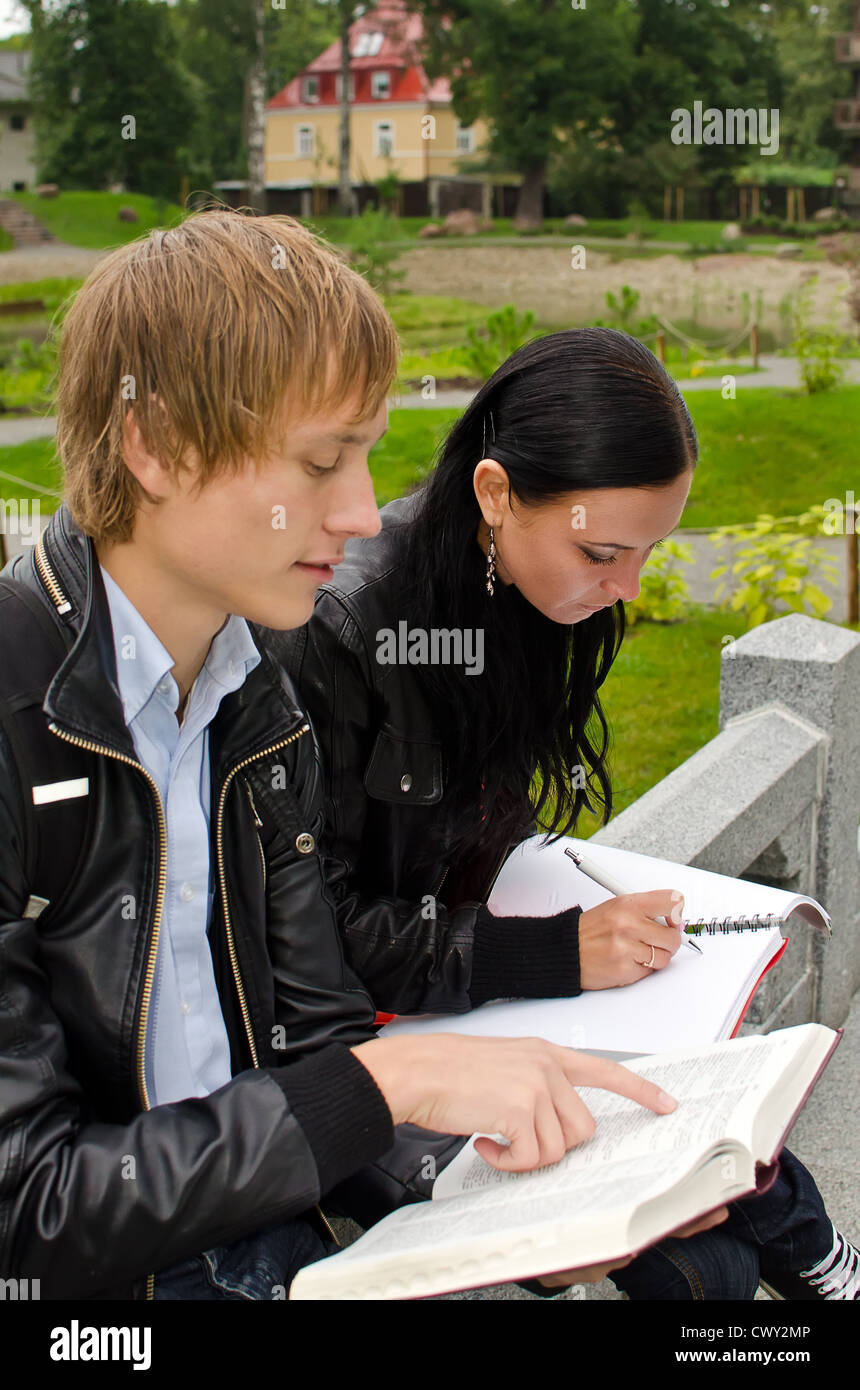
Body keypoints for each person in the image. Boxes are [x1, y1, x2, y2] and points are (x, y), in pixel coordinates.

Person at [0, 213, 719, 1303]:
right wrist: (392, 1081)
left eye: (367, 454)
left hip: (273, 1228)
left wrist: (513, 1202)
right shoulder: (24, 715)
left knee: (689, 1251)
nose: (355, 508)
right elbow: (30, 1211)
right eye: (321, 458)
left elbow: (322, 1038)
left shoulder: (252, 697)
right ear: (151, 445)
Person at [283, 327, 859, 1300]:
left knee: (715, 1186)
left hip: (476, 977)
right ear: (496, 493)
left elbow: (466, 831)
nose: (626, 588)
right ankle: (818, 1261)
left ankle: (818, 1260)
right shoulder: (338, 633)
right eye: (601, 552)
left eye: (646, 553)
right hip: (365, 1043)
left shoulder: (518, 593)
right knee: (706, 1268)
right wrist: (551, 953)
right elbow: (312, 937)